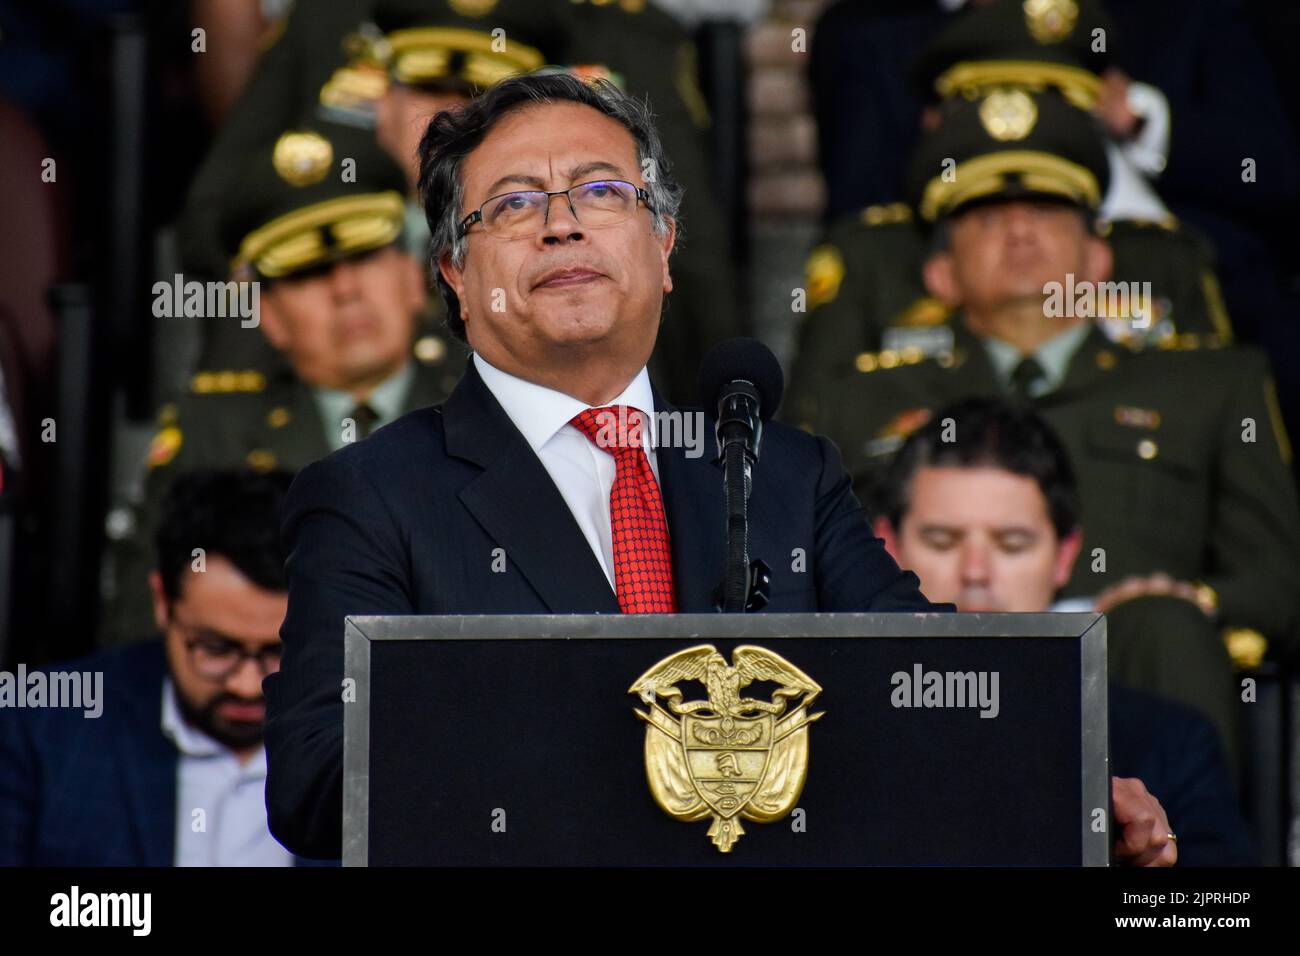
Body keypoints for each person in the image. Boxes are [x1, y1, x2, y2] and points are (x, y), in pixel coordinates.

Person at [265, 72, 936, 860]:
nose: (563, 225)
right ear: (454, 273)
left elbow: (931, 689)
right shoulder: (372, 497)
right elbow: (319, 780)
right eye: (515, 204)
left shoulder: (787, 473)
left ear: (664, 244)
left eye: (602, 192)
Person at [813, 88, 1300, 767]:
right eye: (987, 217)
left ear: (1099, 262)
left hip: (1133, 668)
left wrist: (1192, 601)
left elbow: (1280, 579)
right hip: (929, 667)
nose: (1019, 232)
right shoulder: (861, 399)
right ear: (940, 274)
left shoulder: (1207, 385)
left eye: (1046, 211)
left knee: (1163, 630)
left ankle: (1180, 834)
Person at [102, 119, 462, 647]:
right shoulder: (211, 431)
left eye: (365, 256)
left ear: (413, 277)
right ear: (268, 316)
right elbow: (140, 627)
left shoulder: (488, 404)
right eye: (308, 272)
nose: (345, 290)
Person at [873, 397, 1258, 866]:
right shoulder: (828, 728)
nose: (975, 572)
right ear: (888, 547)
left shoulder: (1170, 746)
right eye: (942, 541)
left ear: (1065, 555)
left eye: (1012, 543)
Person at [0, 470, 329, 866]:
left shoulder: (370, 743)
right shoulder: (41, 726)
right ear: (162, 602)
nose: (246, 685)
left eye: (280, 652)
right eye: (216, 648)